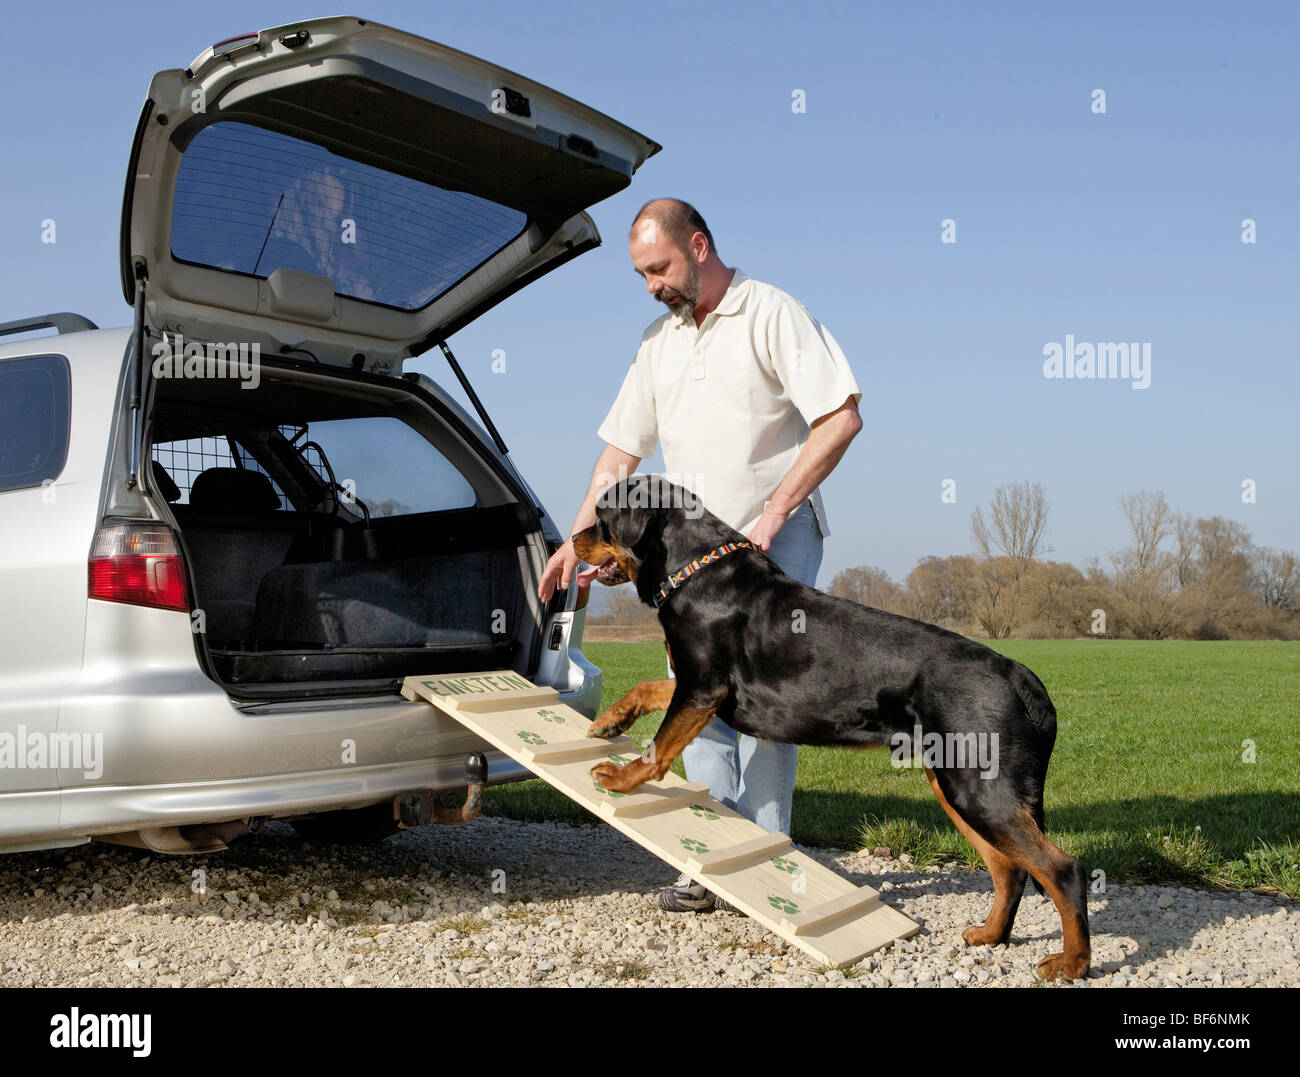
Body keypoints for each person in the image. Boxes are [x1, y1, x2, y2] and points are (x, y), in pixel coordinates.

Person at [538, 198, 862, 911]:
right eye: (640, 274)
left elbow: (840, 417)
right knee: (696, 693)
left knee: (766, 699)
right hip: (687, 560)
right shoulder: (658, 343)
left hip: (770, 545)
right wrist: (573, 541)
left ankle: (767, 856)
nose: (650, 283)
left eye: (658, 267)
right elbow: (618, 456)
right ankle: (713, 858)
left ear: (700, 245)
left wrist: (775, 511)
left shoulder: (770, 312)